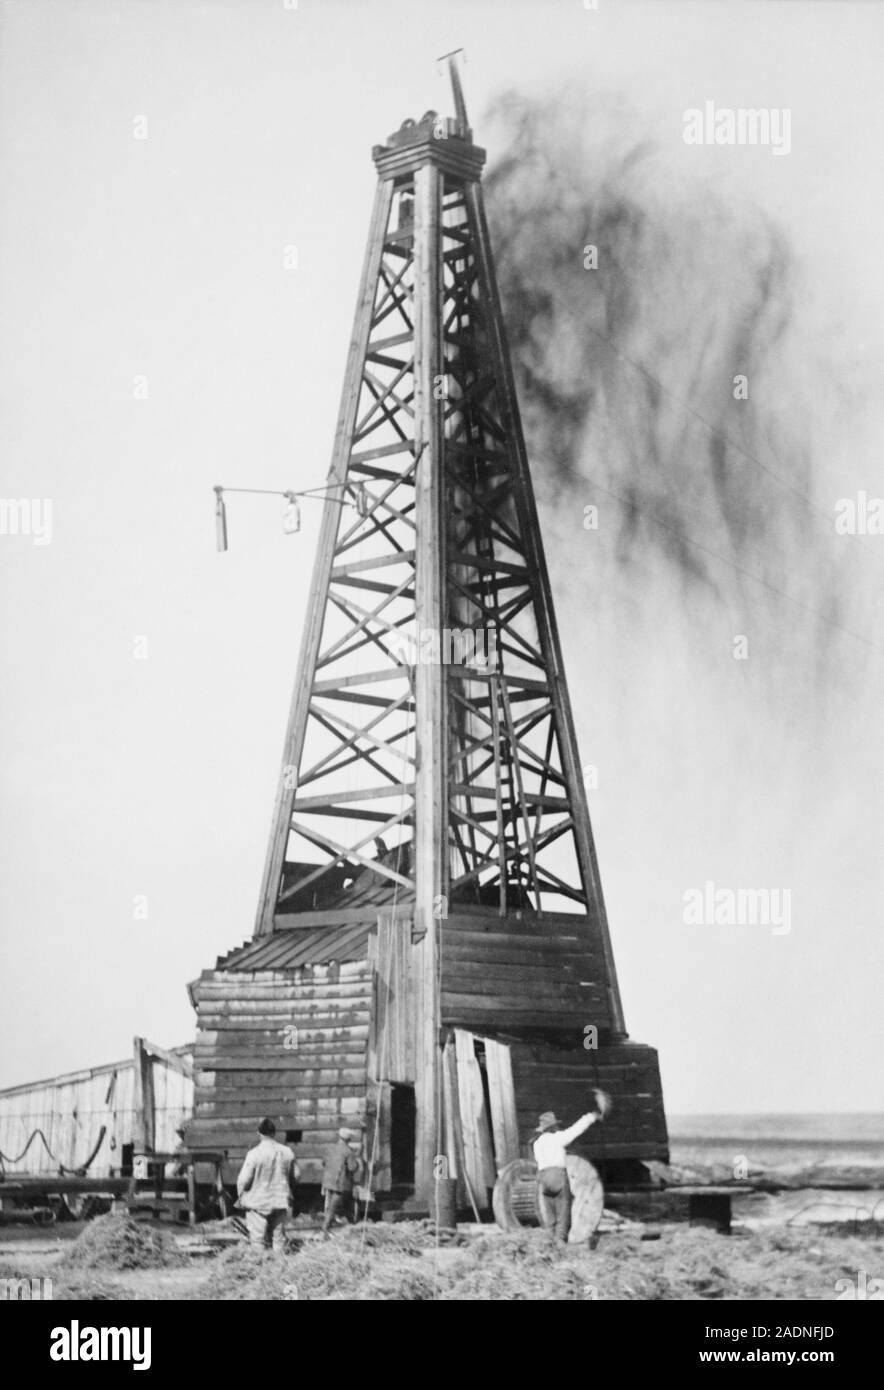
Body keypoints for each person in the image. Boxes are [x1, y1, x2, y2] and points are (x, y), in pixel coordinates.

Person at [532, 1090, 610, 1243]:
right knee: (563, 1211)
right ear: (553, 1128)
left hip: (543, 1178)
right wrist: (591, 1116)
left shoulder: (537, 1143)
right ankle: (561, 1242)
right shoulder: (558, 1139)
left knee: (549, 1213)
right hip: (557, 1176)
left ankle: (549, 1242)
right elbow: (576, 1130)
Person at [236, 1118, 300, 1251]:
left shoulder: (254, 1154)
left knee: (257, 1239)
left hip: (257, 1203)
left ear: (258, 1133)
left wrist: (241, 1196)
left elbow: (244, 1180)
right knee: (279, 1239)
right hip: (280, 1200)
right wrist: (289, 1190)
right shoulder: (287, 1152)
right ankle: (278, 1267)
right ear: (274, 1133)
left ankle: (260, 1266)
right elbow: (297, 1175)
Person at [321, 1126, 364, 1233]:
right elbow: (352, 1167)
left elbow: (323, 1162)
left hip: (328, 1181)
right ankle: (325, 1228)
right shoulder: (348, 1151)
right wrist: (358, 1163)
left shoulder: (330, 1148)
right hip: (340, 1183)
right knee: (333, 1206)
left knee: (340, 1203)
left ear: (339, 1136)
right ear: (349, 1139)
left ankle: (352, 1224)